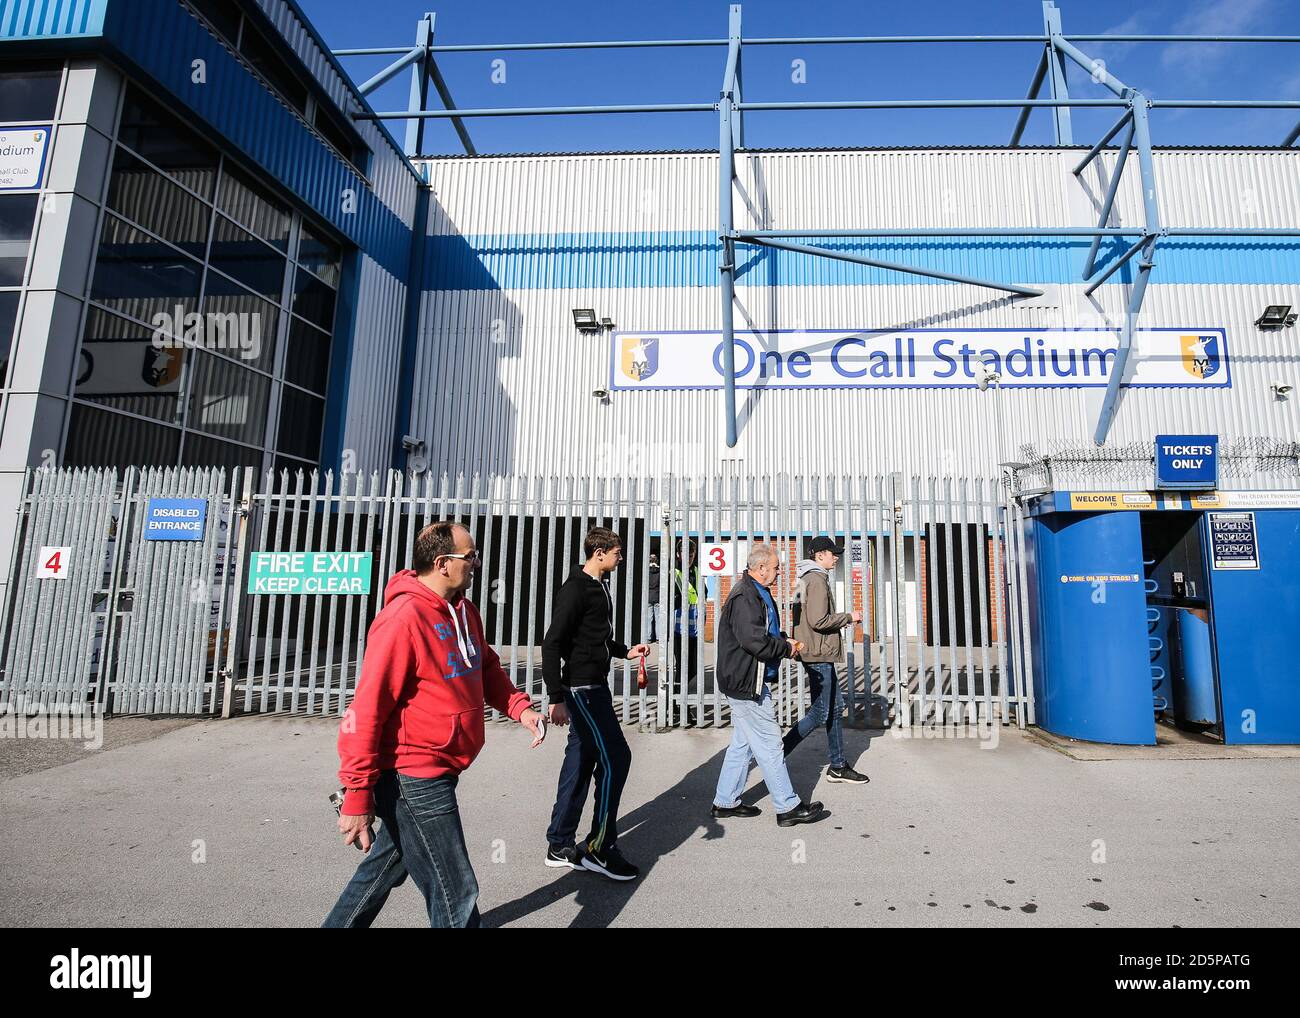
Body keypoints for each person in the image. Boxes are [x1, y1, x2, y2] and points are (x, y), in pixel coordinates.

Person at [324, 521, 544, 928]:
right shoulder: (403, 619)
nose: (476, 563)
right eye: (470, 556)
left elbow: (485, 665)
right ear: (442, 563)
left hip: (441, 766)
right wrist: (356, 794)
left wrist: (518, 706)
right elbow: (367, 710)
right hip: (416, 774)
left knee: (381, 872)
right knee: (456, 891)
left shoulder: (463, 609)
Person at [543, 526, 650, 880]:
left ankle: (559, 843)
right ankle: (599, 848)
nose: (621, 558)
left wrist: (625, 652)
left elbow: (595, 637)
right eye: (617, 553)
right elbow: (553, 643)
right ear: (599, 553)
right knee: (617, 757)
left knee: (581, 758)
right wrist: (556, 697)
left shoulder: (598, 587)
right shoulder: (575, 589)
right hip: (582, 691)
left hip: (593, 684)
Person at [711, 542, 827, 827]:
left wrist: (783, 638)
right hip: (745, 682)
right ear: (761, 568)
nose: (778, 573)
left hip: (745, 679)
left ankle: (725, 801)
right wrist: (785, 649)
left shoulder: (756, 592)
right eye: (775, 568)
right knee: (770, 744)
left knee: (742, 745)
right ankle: (787, 806)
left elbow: (764, 631)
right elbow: (754, 640)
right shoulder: (745, 596)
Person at [783, 536, 869, 784]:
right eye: (832, 553)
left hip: (813, 650)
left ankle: (838, 765)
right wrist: (849, 617)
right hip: (818, 652)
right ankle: (777, 753)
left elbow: (800, 616)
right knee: (820, 713)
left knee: (834, 708)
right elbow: (818, 621)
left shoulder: (804, 578)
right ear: (819, 555)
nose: (836, 557)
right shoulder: (817, 579)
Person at [647, 551, 661, 643]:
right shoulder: (660, 571)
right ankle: (658, 638)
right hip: (657, 596)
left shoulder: (646, 571)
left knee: (649, 618)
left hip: (648, 596)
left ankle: (648, 637)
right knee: (658, 618)